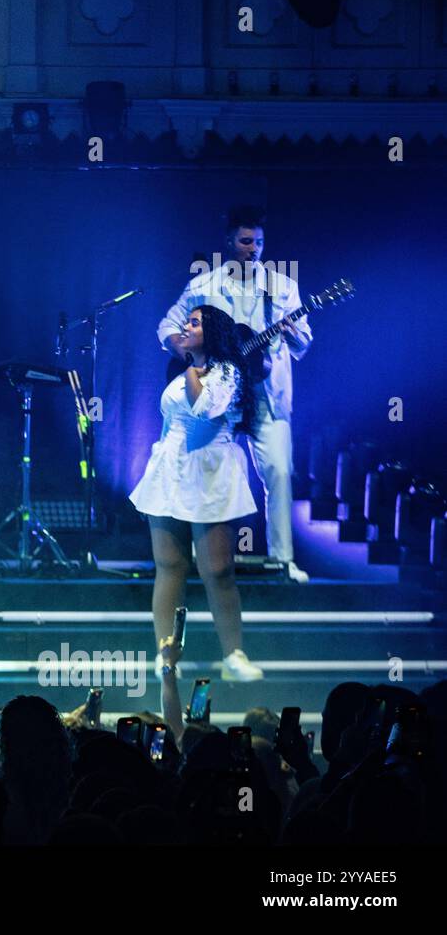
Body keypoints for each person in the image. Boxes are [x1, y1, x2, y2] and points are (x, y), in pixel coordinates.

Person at [158, 206, 313, 583]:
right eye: (246, 241)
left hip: (265, 395)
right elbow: (167, 325)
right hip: (219, 392)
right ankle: (196, 557)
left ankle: (283, 561)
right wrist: (189, 354)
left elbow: (304, 342)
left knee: (279, 471)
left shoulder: (282, 286)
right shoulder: (204, 286)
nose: (253, 249)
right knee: (203, 469)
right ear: (229, 242)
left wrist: (293, 333)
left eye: (259, 242)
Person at [131, 305, 264, 682]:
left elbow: (204, 409)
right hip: (171, 470)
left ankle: (233, 655)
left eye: (194, 323)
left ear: (213, 333)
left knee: (217, 570)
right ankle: (165, 654)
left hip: (209, 471)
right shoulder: (184, 371)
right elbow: (169, 423)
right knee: (169, 567)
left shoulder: (227, 372)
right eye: (186, 322)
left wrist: (192, 368)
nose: (186, 328)